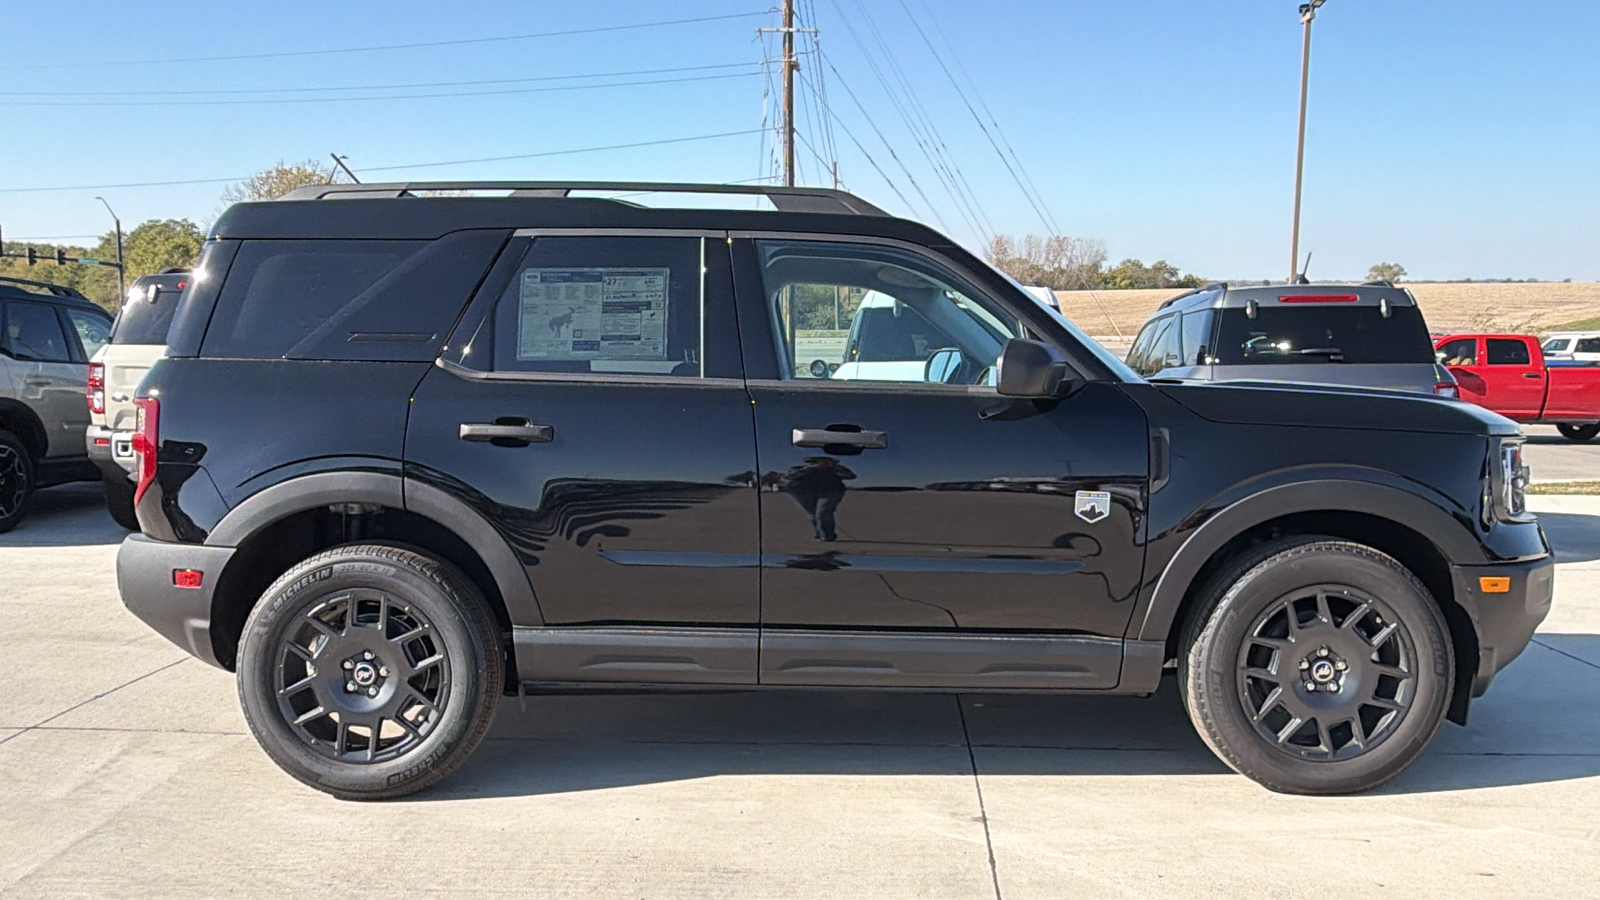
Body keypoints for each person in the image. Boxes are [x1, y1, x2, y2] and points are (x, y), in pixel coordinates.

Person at [778, 456, 856, 541]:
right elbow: (787, 477)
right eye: (815, 462)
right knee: (813, 515)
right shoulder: (799, 469)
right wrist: (808, 469)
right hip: (802, 492)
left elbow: (851, 476)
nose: (820, 464)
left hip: (831, 492)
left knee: (822, 513)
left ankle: (827, 535)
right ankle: (819, 534)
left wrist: (836, 468)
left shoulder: (834, 469)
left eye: (825, 462)